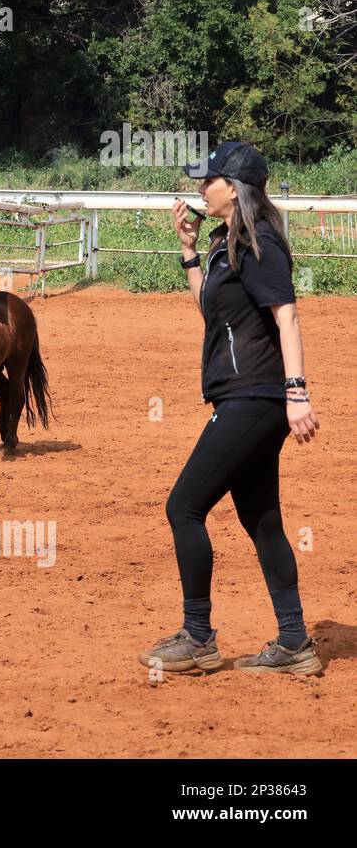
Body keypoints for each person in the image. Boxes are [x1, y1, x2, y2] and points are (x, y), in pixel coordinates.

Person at [139, 141, 322, 676]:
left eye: (208, 179)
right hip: (245, 397)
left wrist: (297, 393)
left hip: (255, 398)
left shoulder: (259, 240)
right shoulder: (227, 242)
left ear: (234, 187)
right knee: (262, 520)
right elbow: (211, 312)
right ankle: (295, 644)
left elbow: (288, 317)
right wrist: (190, 251)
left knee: (184, 507)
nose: (199, 188)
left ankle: (198, 638)